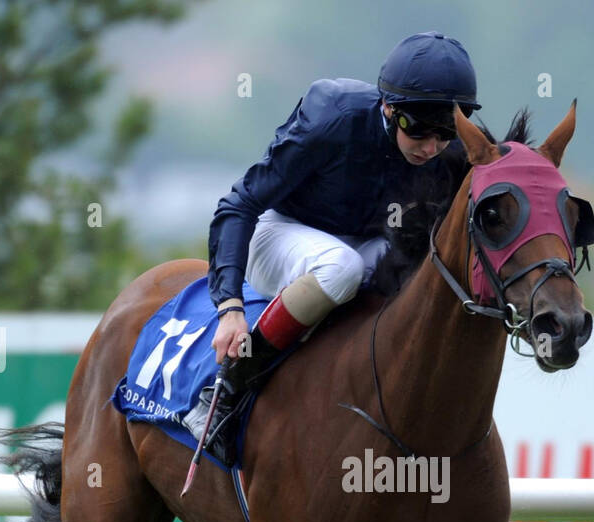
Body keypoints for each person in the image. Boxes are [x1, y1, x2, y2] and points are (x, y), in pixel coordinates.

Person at [200, 31, 480, 460]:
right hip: (279, 233)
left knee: (416, 268)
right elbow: (239, 205)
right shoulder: (332, 114)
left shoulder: (450, 151)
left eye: (444, 134)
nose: (431, 148)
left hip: (361, 244)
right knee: (343, 266)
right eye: (419, 129)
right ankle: (227, 391)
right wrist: (230, 308)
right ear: (389, 107)